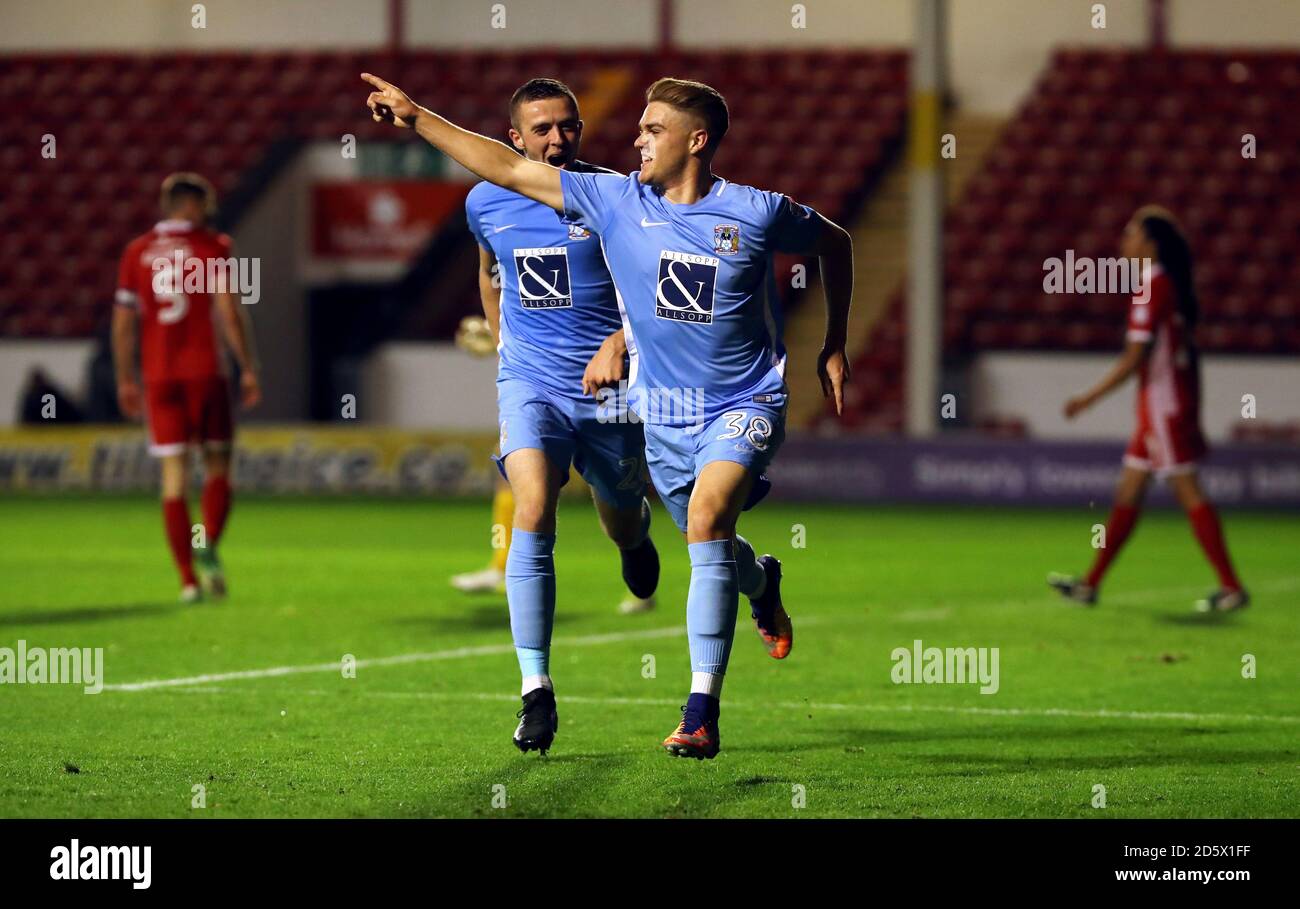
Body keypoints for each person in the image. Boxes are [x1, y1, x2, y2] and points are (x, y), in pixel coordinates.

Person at [361, 71, 853, 759]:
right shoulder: (612, 199)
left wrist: (834, 340)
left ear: (696, 140)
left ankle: (701, 707)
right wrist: (416, 117)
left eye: (652, 129)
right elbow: (499, 170)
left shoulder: (753, 211)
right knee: (680, 536)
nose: (637, 139)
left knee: (696, 525)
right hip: (642, 406)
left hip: (733, 402)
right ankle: (749, 586)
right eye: (640, 127)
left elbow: (835, 241)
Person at [1049, 205, 1248, 613]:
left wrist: (1087, 398)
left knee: (1185, 487)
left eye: (1130, 234)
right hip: (1163, 404)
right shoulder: (1164, 286)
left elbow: (1135, 358)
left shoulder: (1152, 288)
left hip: (1163, 407)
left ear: (1150, 245)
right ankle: (1089, 584)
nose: (1124, 242)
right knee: (1129, 489)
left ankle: (1231, 587)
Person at [112, 173, 261, 602]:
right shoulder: (213, 247)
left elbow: (123, 324)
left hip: (159, 375)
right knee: (217, 463)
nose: (210, 211)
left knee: (173, 477)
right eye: (206, 203)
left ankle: (187, 580)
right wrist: (248, 367)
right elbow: (228, 312)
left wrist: (125, 377)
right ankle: (207, 541)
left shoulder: (136, 252)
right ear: (191, 205)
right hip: (205, 372)